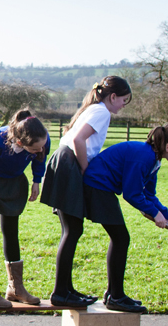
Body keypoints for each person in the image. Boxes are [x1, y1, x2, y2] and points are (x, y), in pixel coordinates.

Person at [40, 76, 132, 307]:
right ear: (113, 97)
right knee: (72, 231)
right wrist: (85, 169)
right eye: (124, 100)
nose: (123, 105)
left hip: (65, 160)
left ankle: (66, 290)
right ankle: (60, 292)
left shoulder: (94, 108)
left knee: (73, 230)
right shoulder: (102, 112)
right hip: (70, 163)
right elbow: (79, 140)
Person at [83, 123, 168, 313]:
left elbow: (148, 194)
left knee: (120, 238)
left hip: (103, 188)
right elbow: (131, 194)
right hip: (96, 186)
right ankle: (115, 296)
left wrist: (166, 214)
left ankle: (114, 294)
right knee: (121, 238)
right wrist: (154, 213)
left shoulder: (154, 160)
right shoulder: (144, 156)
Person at [0, 109, 50, 308]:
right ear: (21, 143)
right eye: (35, 148)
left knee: (11, 231)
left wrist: (36, 181)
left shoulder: (41, 140)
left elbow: (41, 158)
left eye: (42, 146)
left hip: (13, 181)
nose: (40, 150)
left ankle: (16, 288)